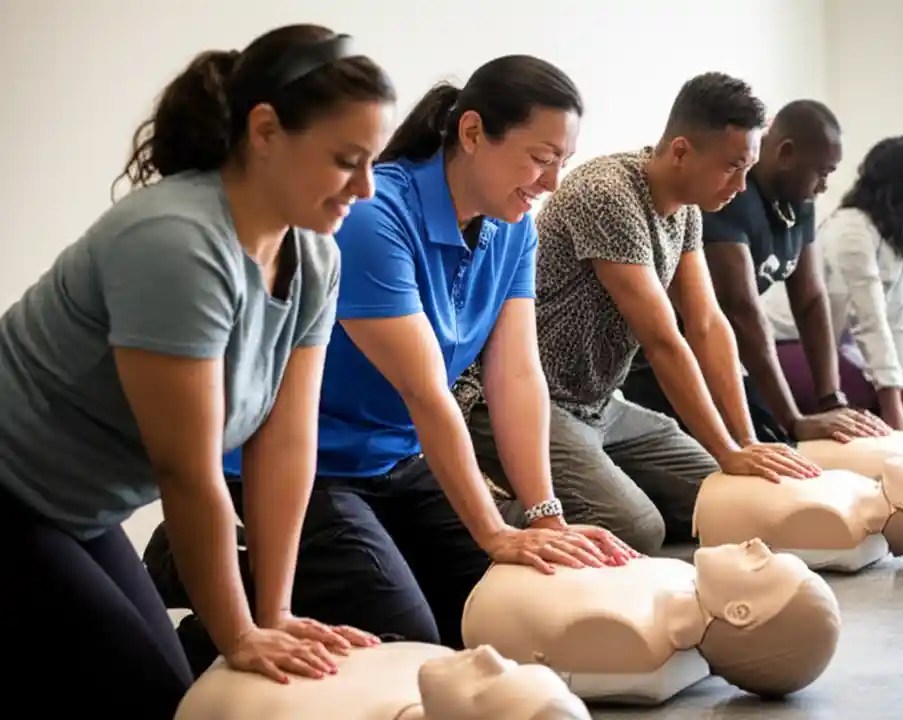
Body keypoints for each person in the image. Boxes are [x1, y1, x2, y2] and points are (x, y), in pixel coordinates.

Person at [145, 54, 639, 675]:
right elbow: (426, 391)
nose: (553, 182)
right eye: (542, 159)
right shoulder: (373, 219)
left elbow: (515, 375)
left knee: (498, 608)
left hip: (400, 462)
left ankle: (250, 572)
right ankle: (210, 579)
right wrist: (492, 530)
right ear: (472, 134)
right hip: (314, 470)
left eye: (562, 161)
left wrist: (543, 513)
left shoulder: (514, 228)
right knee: (408, 639)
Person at [0, 24, 396, 719]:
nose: (365, 189)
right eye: (346, 160)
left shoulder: (314, 257)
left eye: (374, 163)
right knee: (148, 692)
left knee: (172, 685)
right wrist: (237, 632)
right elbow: (187, 471)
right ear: (266, 130)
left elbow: (283, 446)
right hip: (11, 489)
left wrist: (272, 611)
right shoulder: (175, 244)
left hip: (80, 506)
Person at [464, 72, 821, 556]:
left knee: (724, 498)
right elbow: (664, 339)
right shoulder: (608, 194)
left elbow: (708, 323)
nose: (740, 186)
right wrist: (728, 451)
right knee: (637, 528)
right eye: (732, 168)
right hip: (532, 404)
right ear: (680, 151)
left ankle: (603, 483)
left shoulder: (688, 208)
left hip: (601, 404)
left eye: (747, 170)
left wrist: (744, 443)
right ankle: (482, 507)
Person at [621, 99, 890, 445]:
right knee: (769, 446)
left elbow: (810, 299)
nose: (824, 185)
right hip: (659, 367)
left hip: (714, 358)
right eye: (821, 172)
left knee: (779, 442)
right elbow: (741, 311)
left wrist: (829, 399)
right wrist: (792, 420)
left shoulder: (799, 204)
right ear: (787, 153)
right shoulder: (727, 196)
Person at [762, 134, 903, 429]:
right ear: (899, 184)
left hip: (832, 343)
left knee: (882, 394)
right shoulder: (851, 229)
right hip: (785, 342)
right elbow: (868, 319)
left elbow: (899, 326)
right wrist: (895, 415)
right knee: (866, 396)